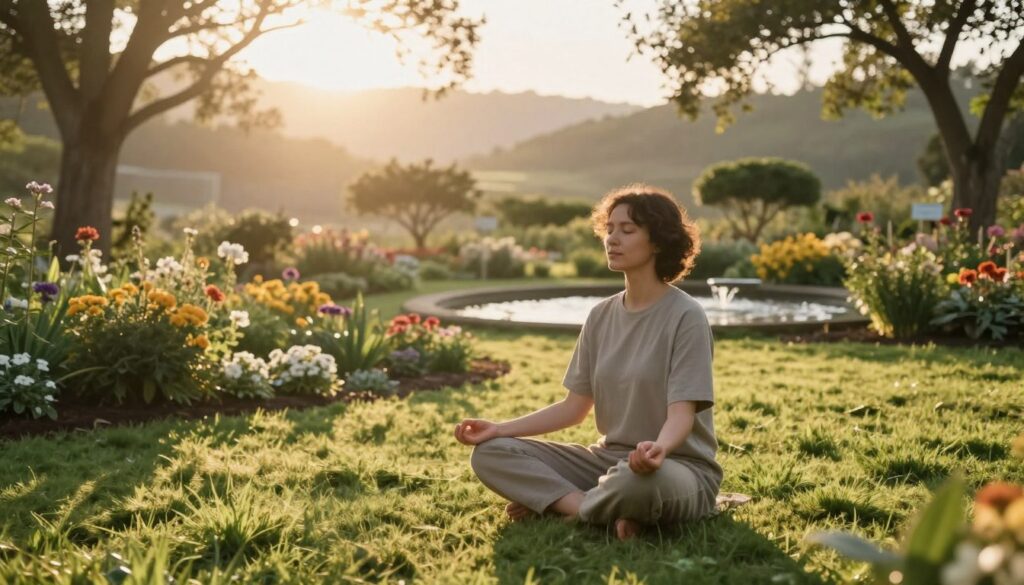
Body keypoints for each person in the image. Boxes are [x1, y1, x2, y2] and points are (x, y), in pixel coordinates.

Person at [454, 184, 721, 541]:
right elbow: (574, 408)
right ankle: (591, 509)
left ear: (658, 241)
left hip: (675, 466)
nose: (613, 239)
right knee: (491, 454)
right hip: (606, 461)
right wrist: (500, 429)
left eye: (627, 230)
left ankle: (568, 505)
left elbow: (682, 414)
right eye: (609, 229)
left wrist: (659, 449)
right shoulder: (600, 315)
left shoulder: (686, 316)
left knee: (632, 482)